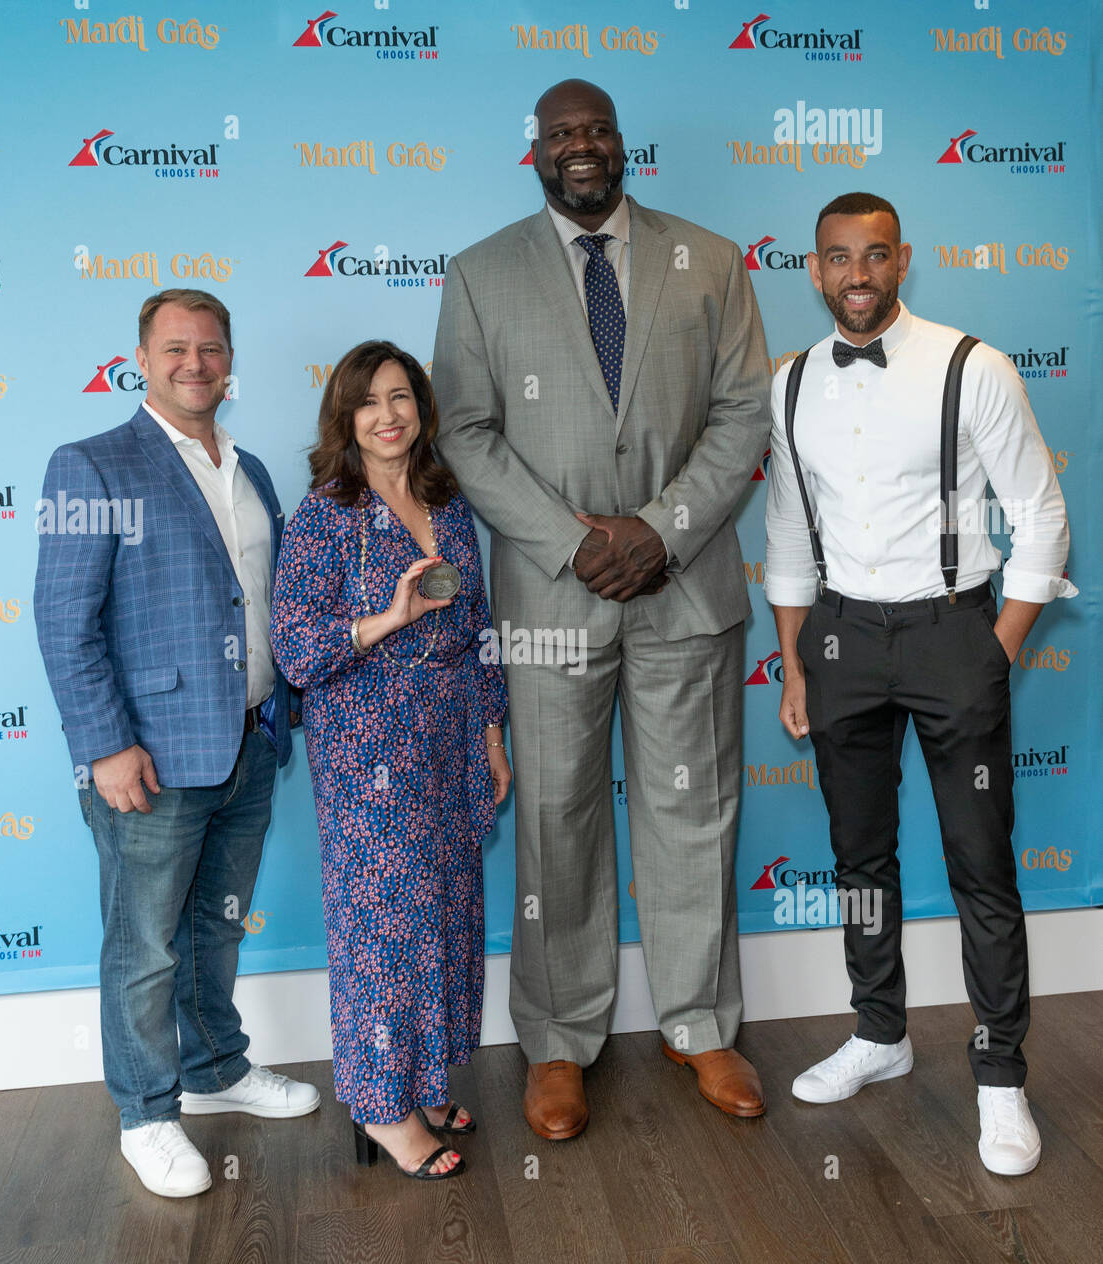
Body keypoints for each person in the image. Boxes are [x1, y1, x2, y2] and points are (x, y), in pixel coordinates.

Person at [431, 79, 771, 1140]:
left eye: (597, 131)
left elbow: (742, 414)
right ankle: (557, 1041)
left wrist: (657, 529)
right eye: (561, 133)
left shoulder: (708, 261)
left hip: (682, 589)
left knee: (693, 813)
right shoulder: (480, 275)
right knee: (555, 819)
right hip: (550, 598)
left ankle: (700, 1024)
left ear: (623, 147)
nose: (581, 147)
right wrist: (575, 540)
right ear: (534, 151)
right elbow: (467, 435)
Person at [765, 192, 1076, 1175]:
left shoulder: (967, 365)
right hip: (839, 639)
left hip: (953, 632)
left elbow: (1041, 514)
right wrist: (792, 660)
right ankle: (877, 1029)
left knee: (979, 864)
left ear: (901, 262)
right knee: (858, 861)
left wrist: (994, 646)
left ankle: (998, 1074)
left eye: (873, 256)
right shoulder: (787, 385)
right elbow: (784, 533)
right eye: (835, 258)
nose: (855, 274)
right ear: (810, 271)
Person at [35, 289, 319, 1200]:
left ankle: (215, 1071)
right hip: (147, 760)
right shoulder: (92, 465)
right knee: (145, 944)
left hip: (249, 747)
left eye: (210, 348)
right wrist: (105, 746)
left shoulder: (254, 471)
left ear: (230, 361)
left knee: (215, 926)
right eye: (175, 348)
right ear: (141, 358)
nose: (194, 363)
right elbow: (62, 622)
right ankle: (147, 1115)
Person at [270, 341, 510, 1181]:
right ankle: (380, 1107)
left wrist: (490, 734)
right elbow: (295, 652)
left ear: (421, 409)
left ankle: (426, 1079)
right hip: (368, 742)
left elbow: (479, 629)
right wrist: (386, 618)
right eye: (369, 402)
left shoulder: (447, 504)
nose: (388, 415)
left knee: (445, 911)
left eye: (401, 397)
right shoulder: (323, 515)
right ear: (345, 417)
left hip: (449, 733)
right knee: (385, 925)